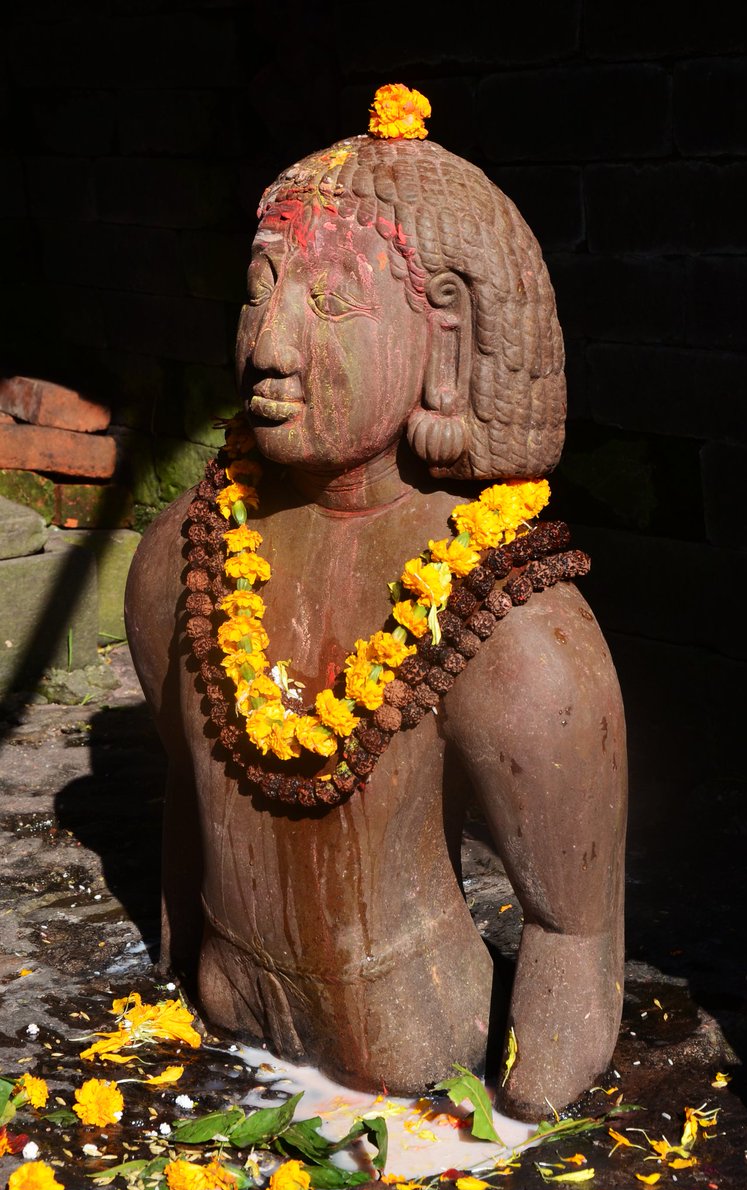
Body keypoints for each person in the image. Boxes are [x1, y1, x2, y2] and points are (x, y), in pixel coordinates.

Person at [125, 87, 627, 1119]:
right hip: (226, 1025)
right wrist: (168, 980)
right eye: (259, 290)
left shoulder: (508, 618)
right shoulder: (186, 551)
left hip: (418, 1065)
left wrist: (507, 1129)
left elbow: (573, 933)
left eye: (330, 301)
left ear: (446, 334)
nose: (267, 345)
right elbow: (187, 806)